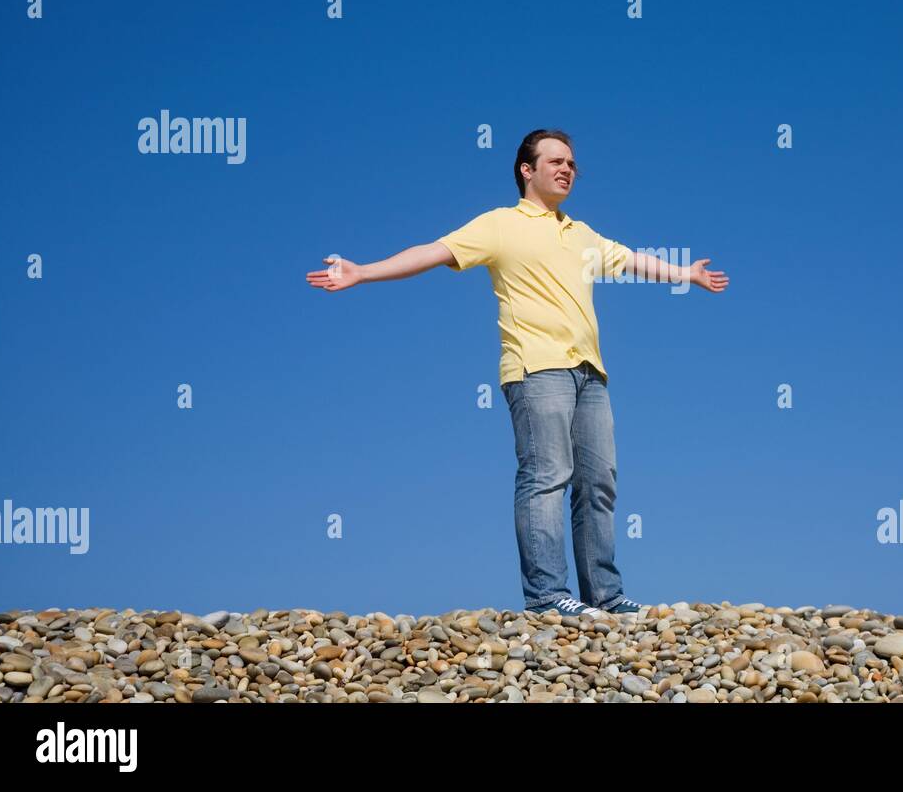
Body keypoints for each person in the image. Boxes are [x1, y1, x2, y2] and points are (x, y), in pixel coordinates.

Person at [306, 129, 729, 617]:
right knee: (547, 475)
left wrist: (686, 275)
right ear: (527, 170)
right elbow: (433, 251)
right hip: (536, 368)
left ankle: (606, 597)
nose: (567, 169)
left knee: (598, 481)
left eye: (572, 162)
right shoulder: (499, 226)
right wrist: (363, 271)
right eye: (555, 161)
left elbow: (632, 260)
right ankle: (548, 596)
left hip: (591, 373)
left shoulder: (581, 233)